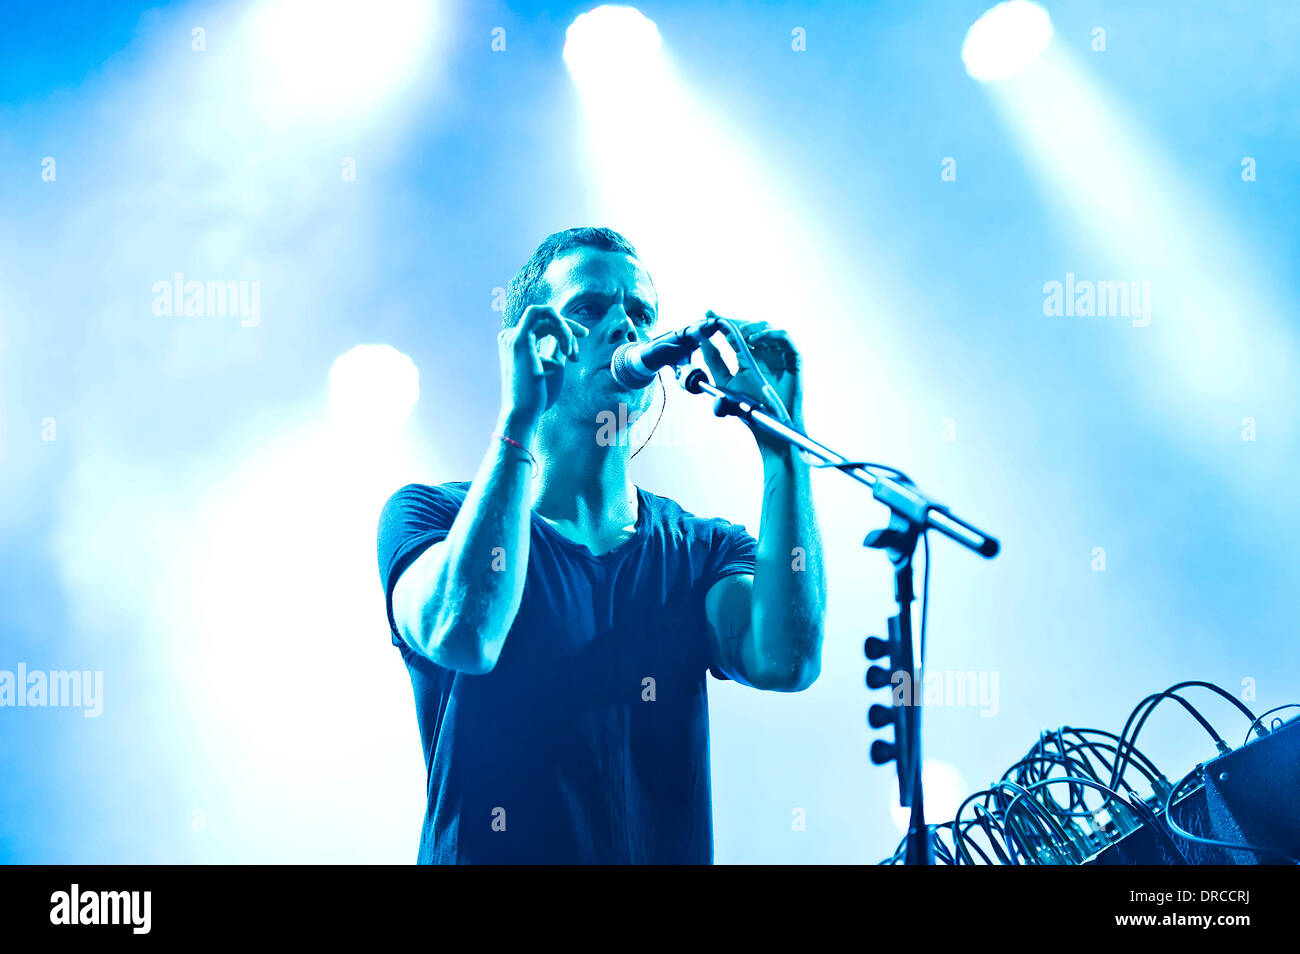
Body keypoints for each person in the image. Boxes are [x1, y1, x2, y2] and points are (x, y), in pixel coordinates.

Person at [376, 226, 825, 863]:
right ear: (528, 341)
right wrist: (518, 419)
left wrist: (784, 446)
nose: (626, 327)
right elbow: (463, 634)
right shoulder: (432, 514)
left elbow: (785, 659)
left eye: (641, 313)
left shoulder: (702, 549)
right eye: (590, 308)